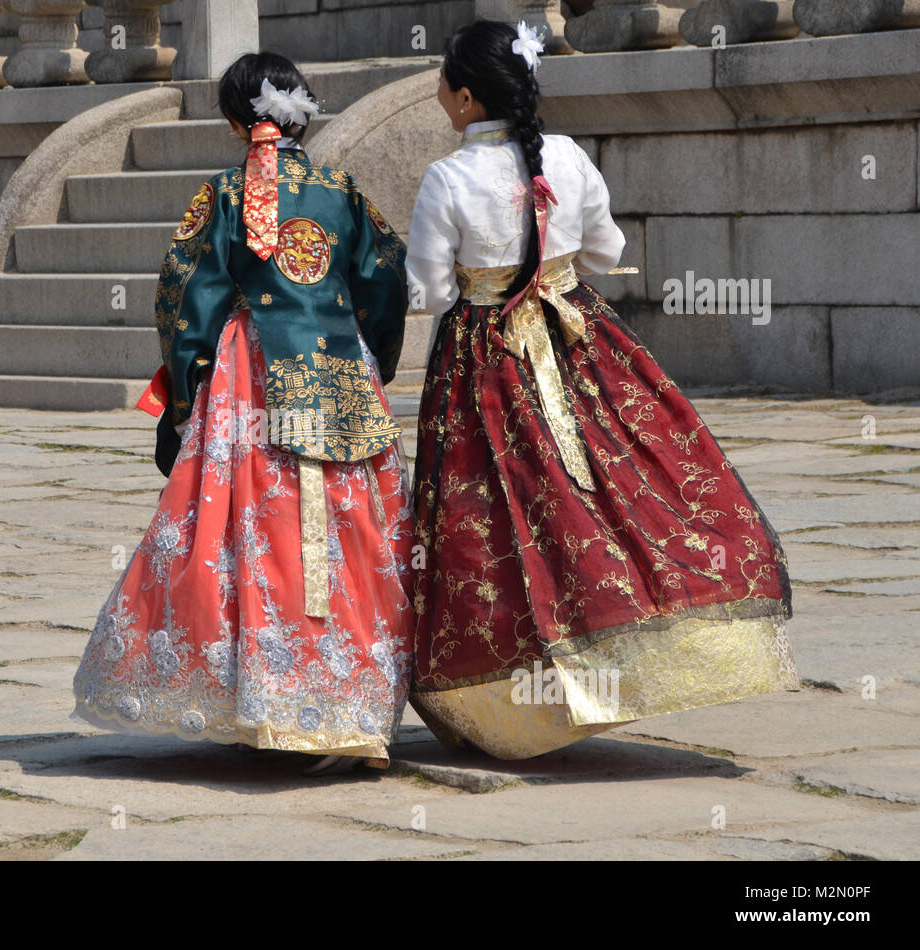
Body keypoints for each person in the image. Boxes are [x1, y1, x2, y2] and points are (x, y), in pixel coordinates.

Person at [404, 20, 798, 760]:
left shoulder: (447, 178)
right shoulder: (567, 155)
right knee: (624, 482)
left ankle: (514, 697)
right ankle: (649, 639)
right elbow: (608, 248)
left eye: (441, 85)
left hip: (486, 357)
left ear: (463, 98)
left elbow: (428, 290)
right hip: (582, 341)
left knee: (499, 511)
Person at [72, 52, 415, 775]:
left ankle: (261, 692)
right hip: (336, 366)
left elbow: (183, 292)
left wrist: (188, 383)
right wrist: (374, 354)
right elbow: (385, 272)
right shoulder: (342, 189)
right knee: (353, 521)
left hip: (249, 373)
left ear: (236, 121)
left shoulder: (223, 192)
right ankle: (349, 694)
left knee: (253, 523)